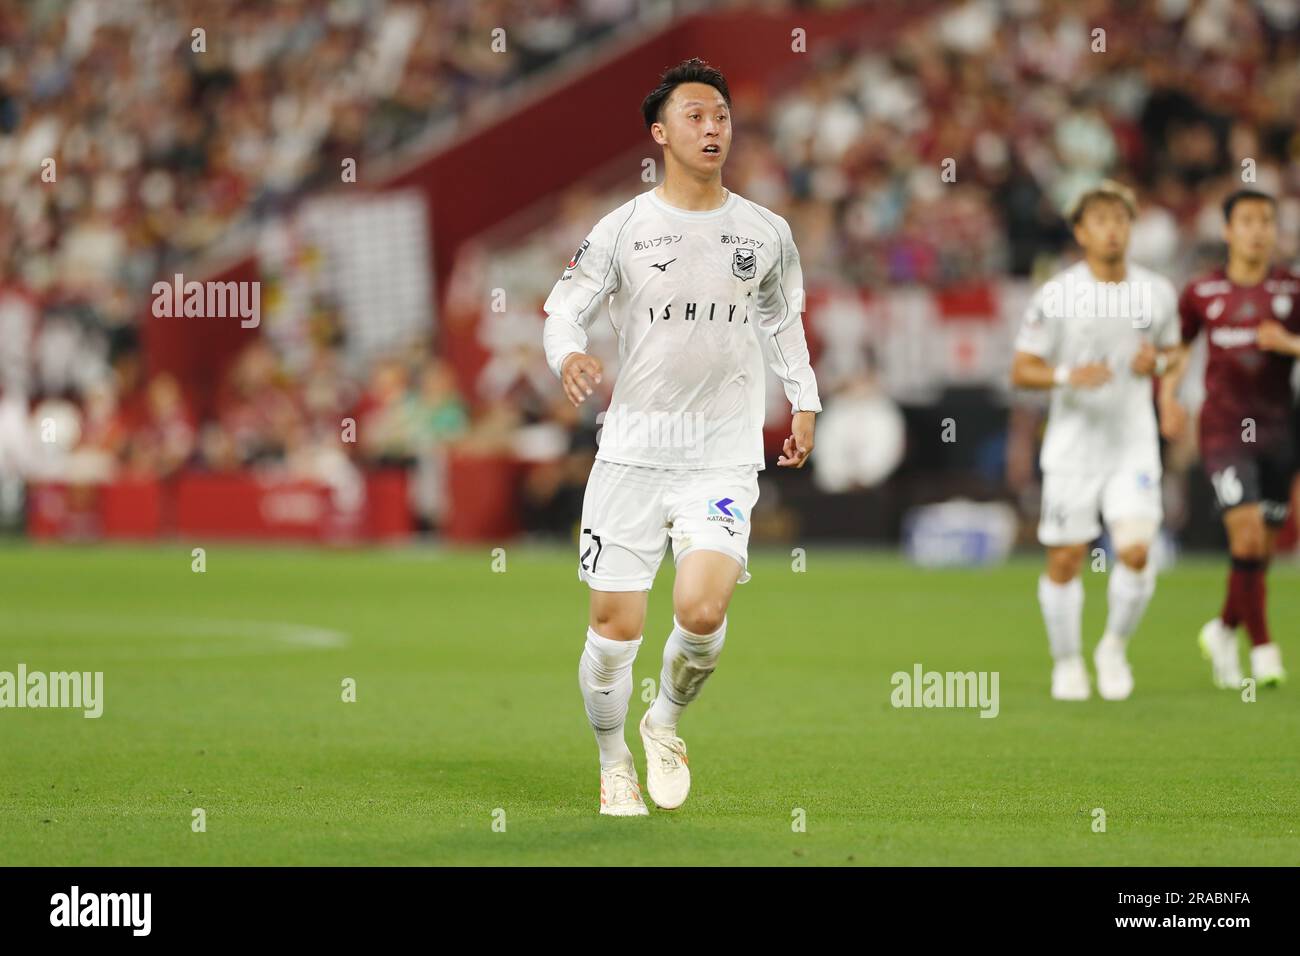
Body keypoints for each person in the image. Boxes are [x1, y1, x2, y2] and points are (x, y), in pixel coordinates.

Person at [541, 58, 821, 815]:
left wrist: (805, 398)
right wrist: (568, 354)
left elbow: (782, 319)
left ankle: (664, 720)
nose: (712, 128)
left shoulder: (766, 232)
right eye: (696, 116)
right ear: (660, 133)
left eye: (722, 116)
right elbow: (562, 308)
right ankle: (612, 763)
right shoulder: (624, 228)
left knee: (701, 613)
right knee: (613, 630)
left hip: (720, 457)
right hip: (632, 453)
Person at [1011, 180, 1180, 701]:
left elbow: (1175, 352)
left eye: (1120, 219)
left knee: (1134, 551)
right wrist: (1066, 376)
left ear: (1131, 228)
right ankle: (1067, 663)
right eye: (1100, 220)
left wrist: (1164, 375)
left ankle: (1112, 647)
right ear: (1081, 232)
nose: (1112, 229)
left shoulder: (1157, 292)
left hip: (1133, 442)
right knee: (1065, 560)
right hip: (1072, 447)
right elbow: (1021, 369)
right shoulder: (1057, 294)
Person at [1160, 189, 1300, 689]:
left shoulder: (1292, 288)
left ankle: (1223, 629)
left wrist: (1289, 343)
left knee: (1260, 548)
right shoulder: (1201, 293)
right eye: (1247, 221)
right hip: (1223, 429)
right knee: (1244, 534)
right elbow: (1177, 350)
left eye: (1266, 220)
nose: (1258, 230)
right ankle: (1264, 649)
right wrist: (1168, 397)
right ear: (1227, 231)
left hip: (1282, 432)